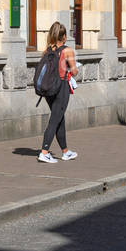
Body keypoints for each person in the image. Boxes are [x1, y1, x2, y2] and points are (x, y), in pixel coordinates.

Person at [37, 22, 78, 163]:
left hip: (49, 89)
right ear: (64, 37)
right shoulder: (67, 51)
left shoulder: (48, 50)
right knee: (55, 119)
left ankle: (65, 151)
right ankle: (44, 151)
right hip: (61, 87)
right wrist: (74, 68)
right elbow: (74, 71)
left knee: (59, 118)